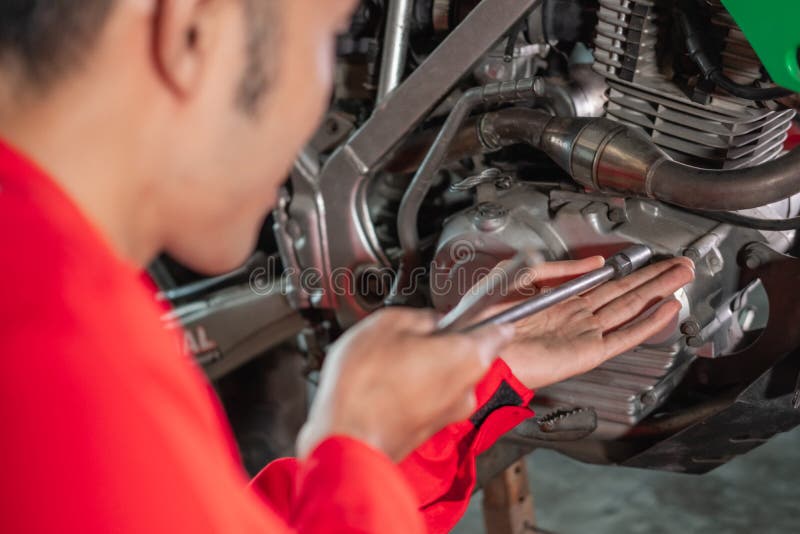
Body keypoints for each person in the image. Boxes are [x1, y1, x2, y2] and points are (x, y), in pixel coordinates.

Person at [0, 1, 695, 532]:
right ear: (193, 34)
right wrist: (356, 442)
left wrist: (388, 444)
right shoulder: (61, 372)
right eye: (329, 38)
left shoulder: (53, 297)